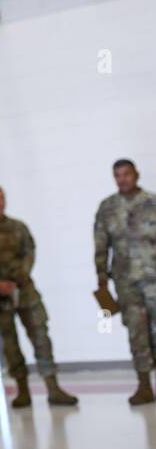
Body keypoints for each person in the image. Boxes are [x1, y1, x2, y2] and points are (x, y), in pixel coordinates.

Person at [0, 185, 77, 406]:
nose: (1, 203)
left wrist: (18, 277)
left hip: (24, 290)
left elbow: (29, 252)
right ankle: (22, 390)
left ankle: (53, 387)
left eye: (3, 198)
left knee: (41, 336)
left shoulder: (18, 227)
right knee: (10, 342)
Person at [94, 159, 156, 405]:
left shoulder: (151, 203)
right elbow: (101, 245)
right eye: (117, 175)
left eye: (126, 174)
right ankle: (144, 386)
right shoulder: (107, 208)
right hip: (125, 282)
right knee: (136, 331)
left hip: (154, 280)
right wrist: (101, 278)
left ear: (136, 174)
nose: (122, 179)